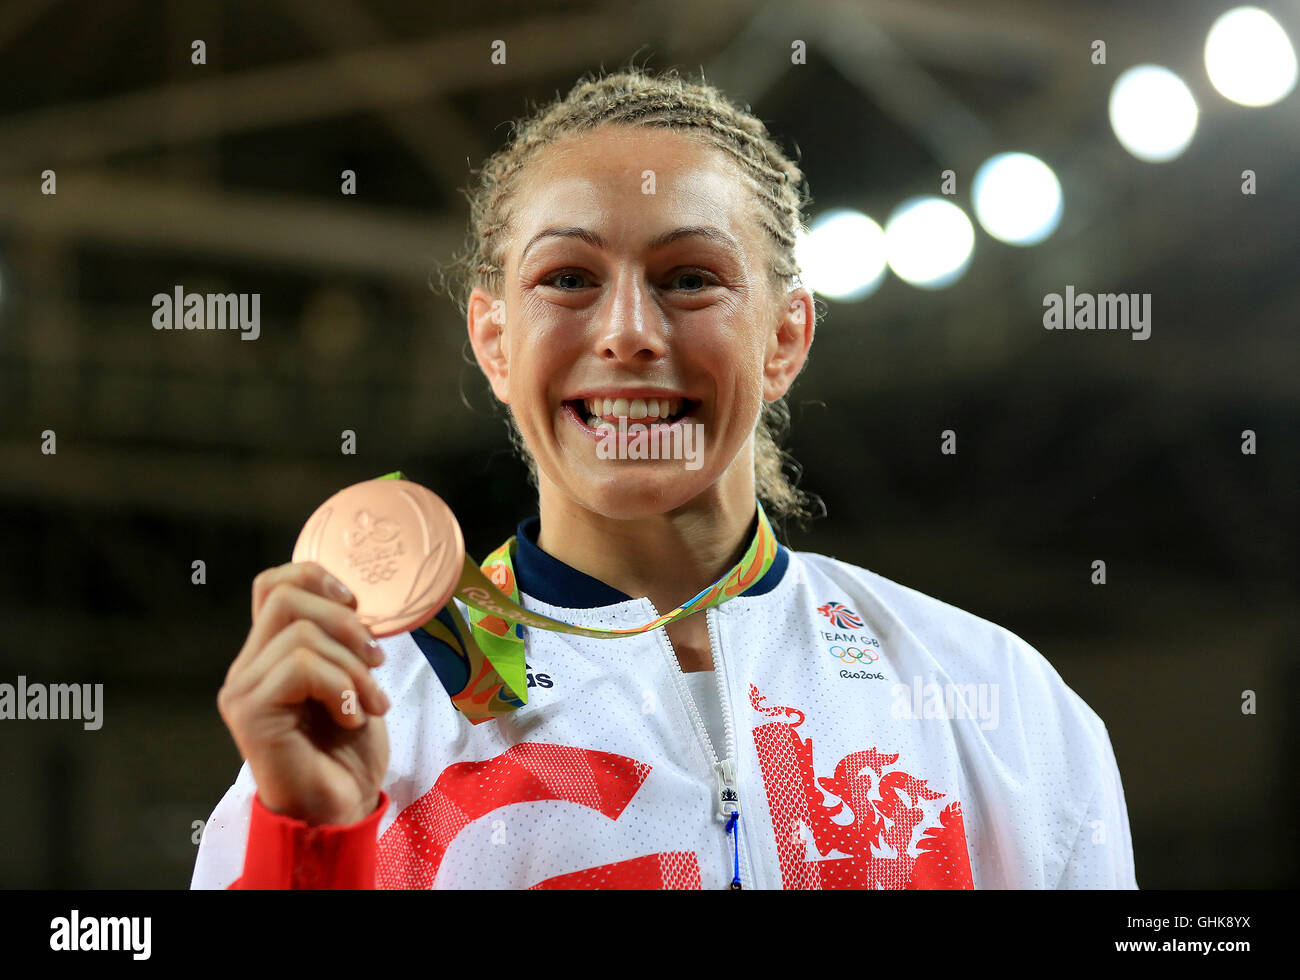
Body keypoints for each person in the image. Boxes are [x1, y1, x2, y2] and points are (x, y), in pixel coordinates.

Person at [191, 67, 1137, 890]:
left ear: (784, 337)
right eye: (567, 278)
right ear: (494, 341)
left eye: (690, 278)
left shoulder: (996, 699)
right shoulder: (369, 718)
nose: (628, 330)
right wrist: (307, 845)